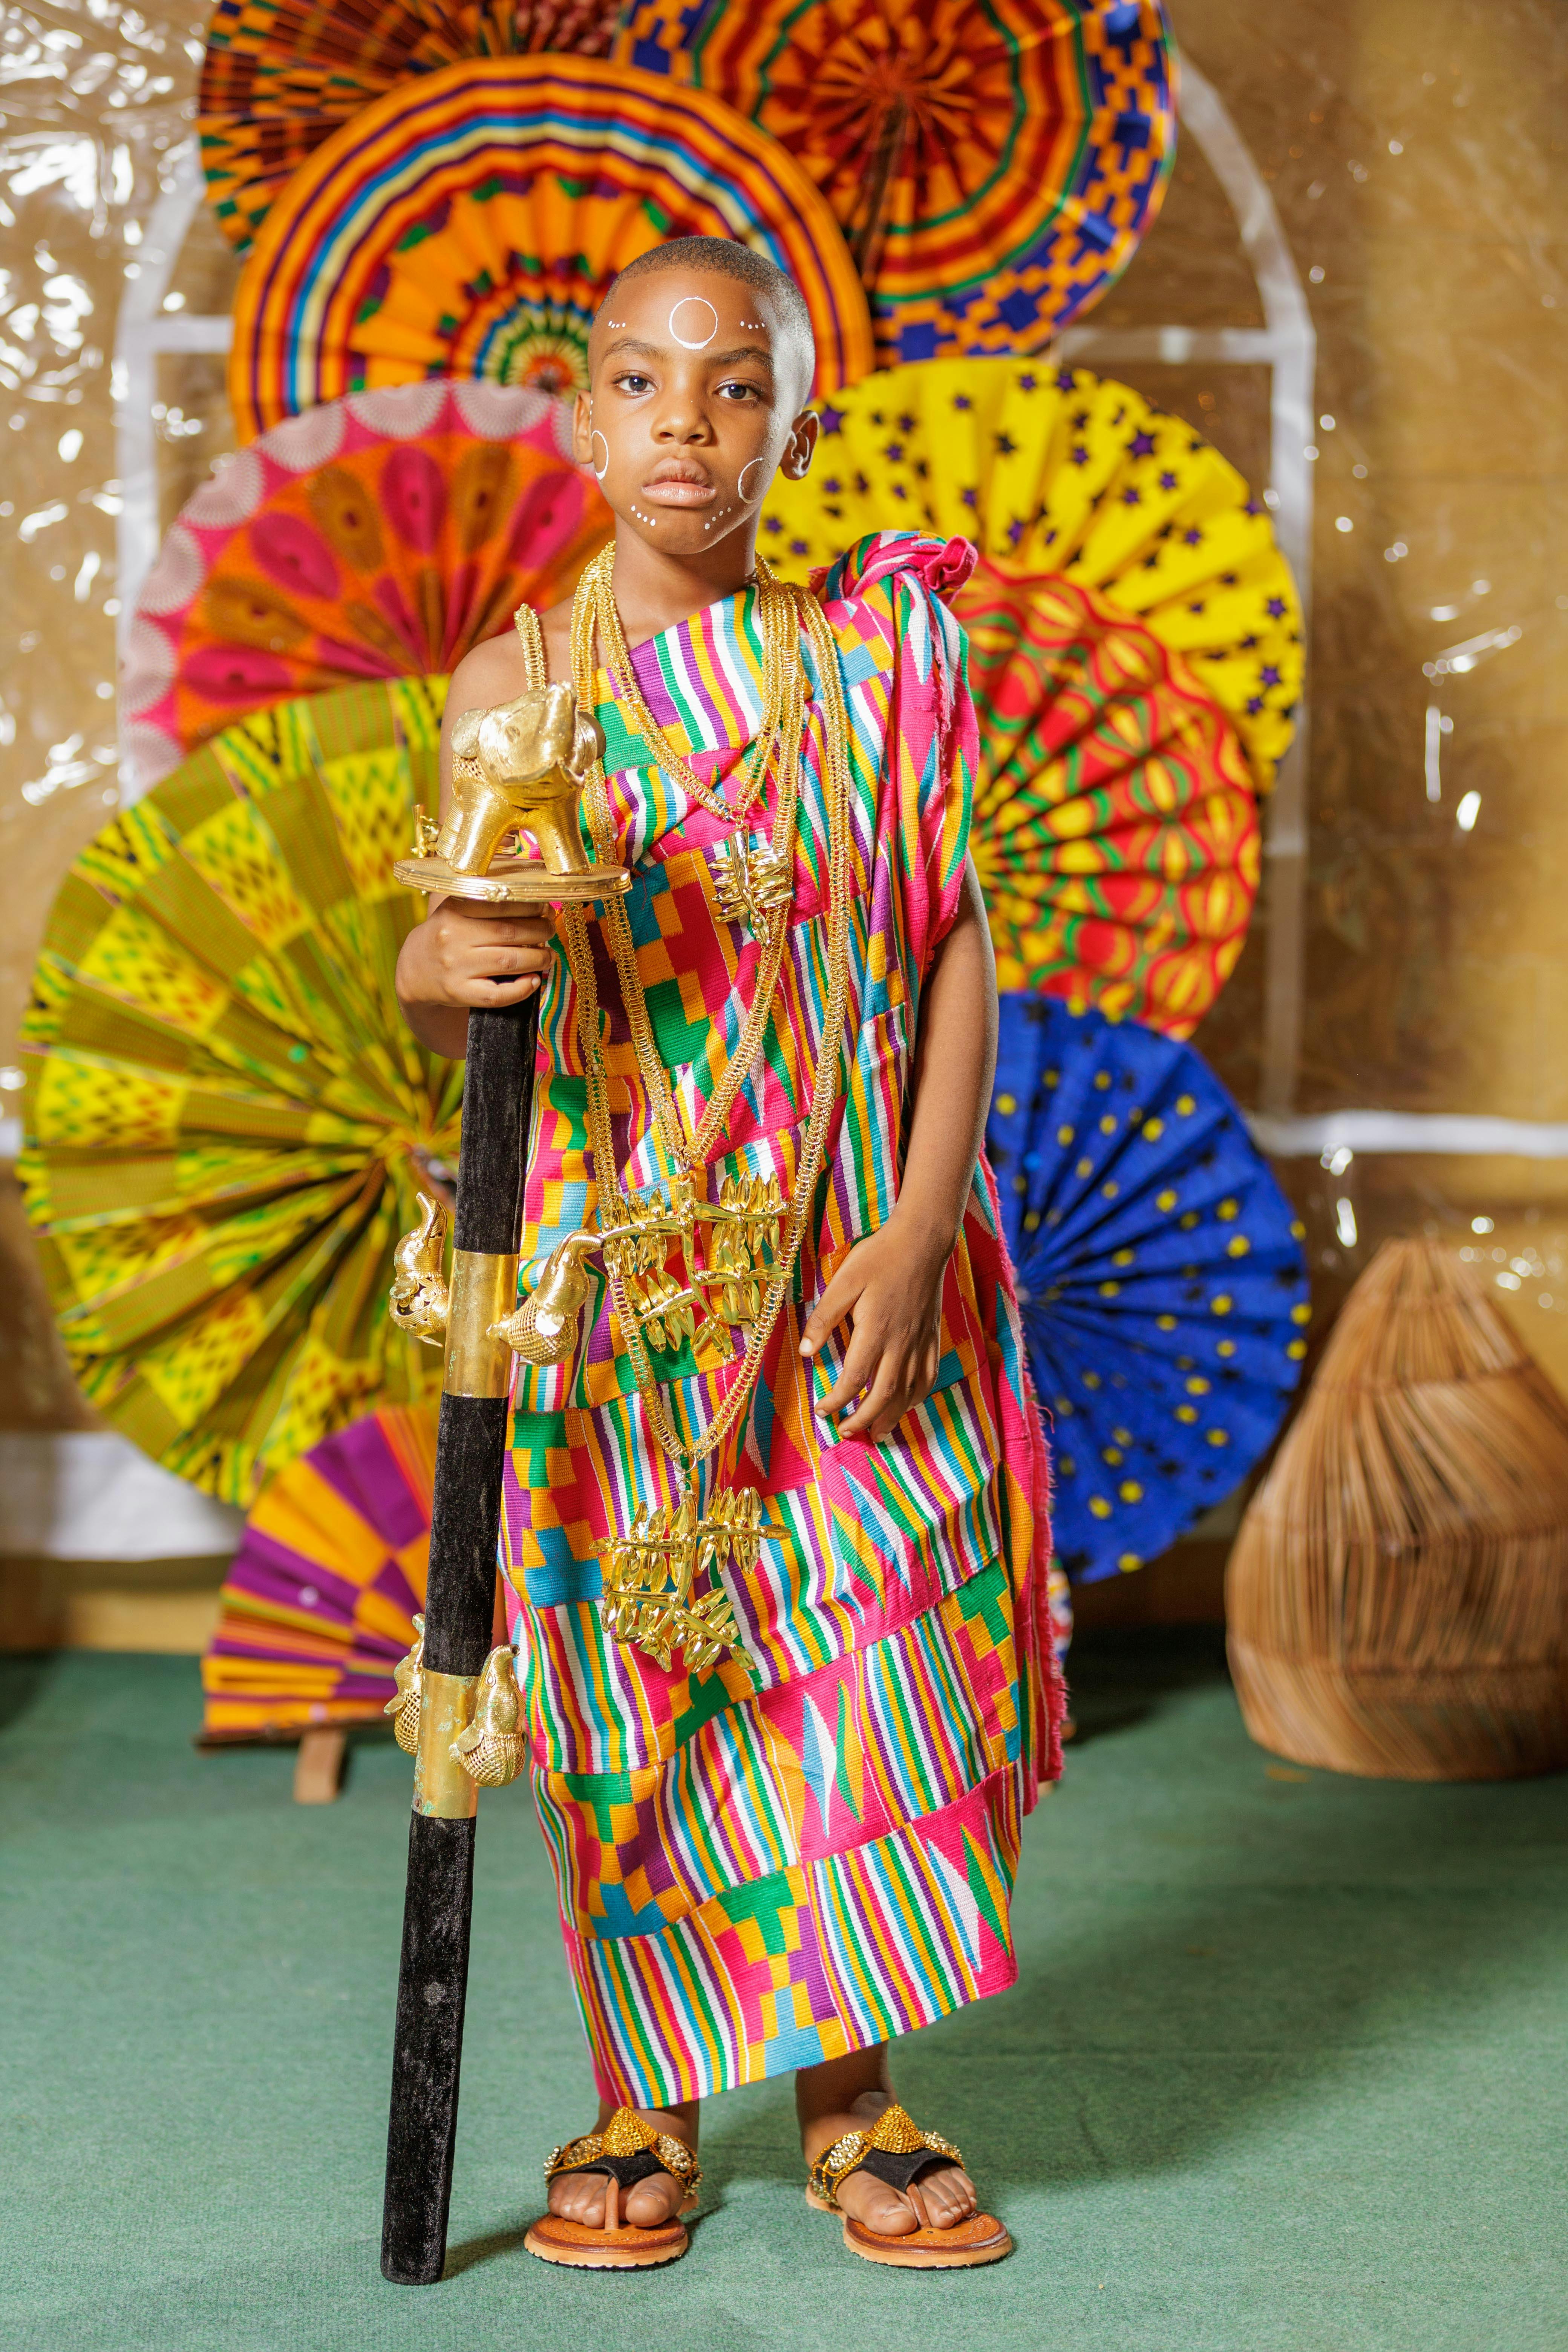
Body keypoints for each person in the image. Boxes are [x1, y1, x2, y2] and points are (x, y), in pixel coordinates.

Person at [395, 236, 1061, 2274]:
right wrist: (442, 959)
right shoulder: (525, 684)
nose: (689, 420)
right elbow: (450, 974)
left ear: (784, 422)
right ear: (583, 419)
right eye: (642, 380)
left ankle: (855, 2104)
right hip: (616, 1294)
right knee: (629, 1685)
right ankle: (643, 2096)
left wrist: (926, 1216)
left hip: (849, 1265)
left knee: (866, 1663)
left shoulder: (875, 665)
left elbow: (947, 945)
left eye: (736, 384)